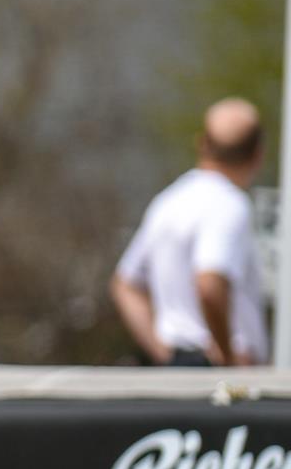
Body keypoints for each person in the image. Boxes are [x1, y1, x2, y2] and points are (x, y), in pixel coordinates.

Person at [113, 98, 268, 368]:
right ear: (257, 155)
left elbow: (125, 285)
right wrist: (228, 359)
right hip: (217, 372)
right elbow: (209, 285)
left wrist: (162, 352)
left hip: (179, 365)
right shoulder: (229, 205)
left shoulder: (169, 201)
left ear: (202, 144)